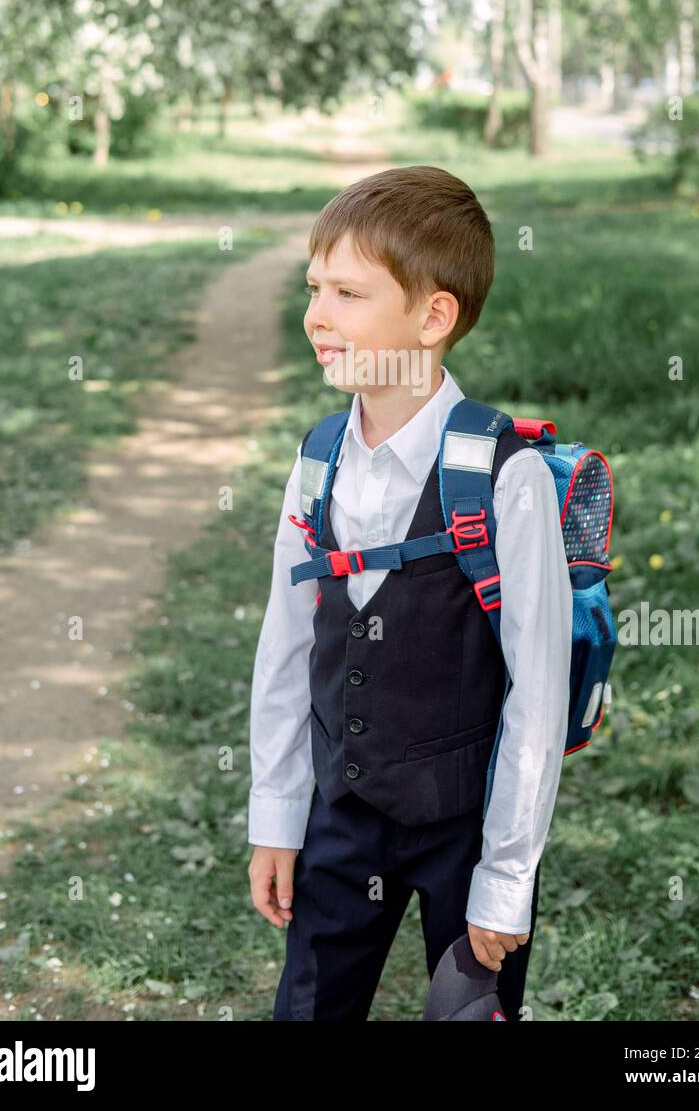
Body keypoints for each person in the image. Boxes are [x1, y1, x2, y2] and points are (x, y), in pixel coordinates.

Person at [247, 165, 573, 1021]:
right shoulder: (316, 459)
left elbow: (538, 699)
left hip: (464, 828)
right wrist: (278, 814)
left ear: (434, 316)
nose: (317, 315)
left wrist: (506, 882)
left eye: (349, 293)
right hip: (342, 818)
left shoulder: (508, 480)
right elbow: (285, 648)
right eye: (314, 287)